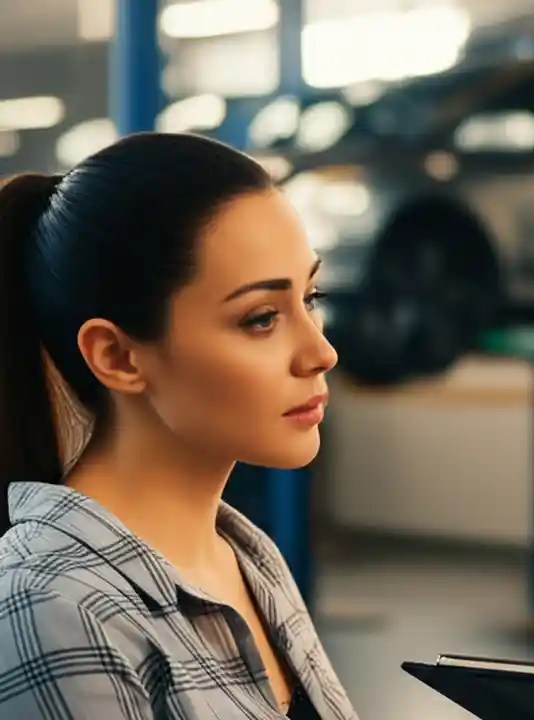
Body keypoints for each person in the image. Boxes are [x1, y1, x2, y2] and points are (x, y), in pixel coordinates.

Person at [0, 133, 357, 719]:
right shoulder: (56, 605)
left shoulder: (246, 557)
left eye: (310, 297)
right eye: (262, 318)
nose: (320, 353)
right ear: (117, 356)